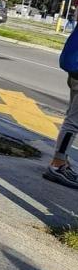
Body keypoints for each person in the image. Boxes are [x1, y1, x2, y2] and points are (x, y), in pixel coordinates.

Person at [44, 24, 78, 188]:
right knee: (73, 122)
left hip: (75, 71)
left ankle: (61, 160)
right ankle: (57, 164)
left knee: (72, 118)